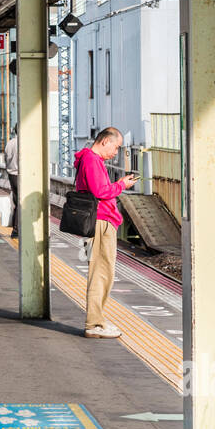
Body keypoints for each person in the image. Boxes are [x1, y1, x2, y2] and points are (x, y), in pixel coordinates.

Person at [74, 127, 137, 339]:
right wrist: (121, 185)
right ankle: (94, 323)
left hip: (100, 220)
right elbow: (100, 191)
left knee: (103, 273)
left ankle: (97, 320)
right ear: (105, 142)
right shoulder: (92, 160)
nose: (116, 152)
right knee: (101, 273)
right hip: (100, 221)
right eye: (116, 147)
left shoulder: (91, 159)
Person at [3, 126, 19, 238]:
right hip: (20, 175)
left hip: (11, 174)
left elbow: (6, 158)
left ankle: (15, 227)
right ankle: (16, 230)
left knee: (16, 201)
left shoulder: (10, 143)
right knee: (21, 203)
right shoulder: (24, 142)